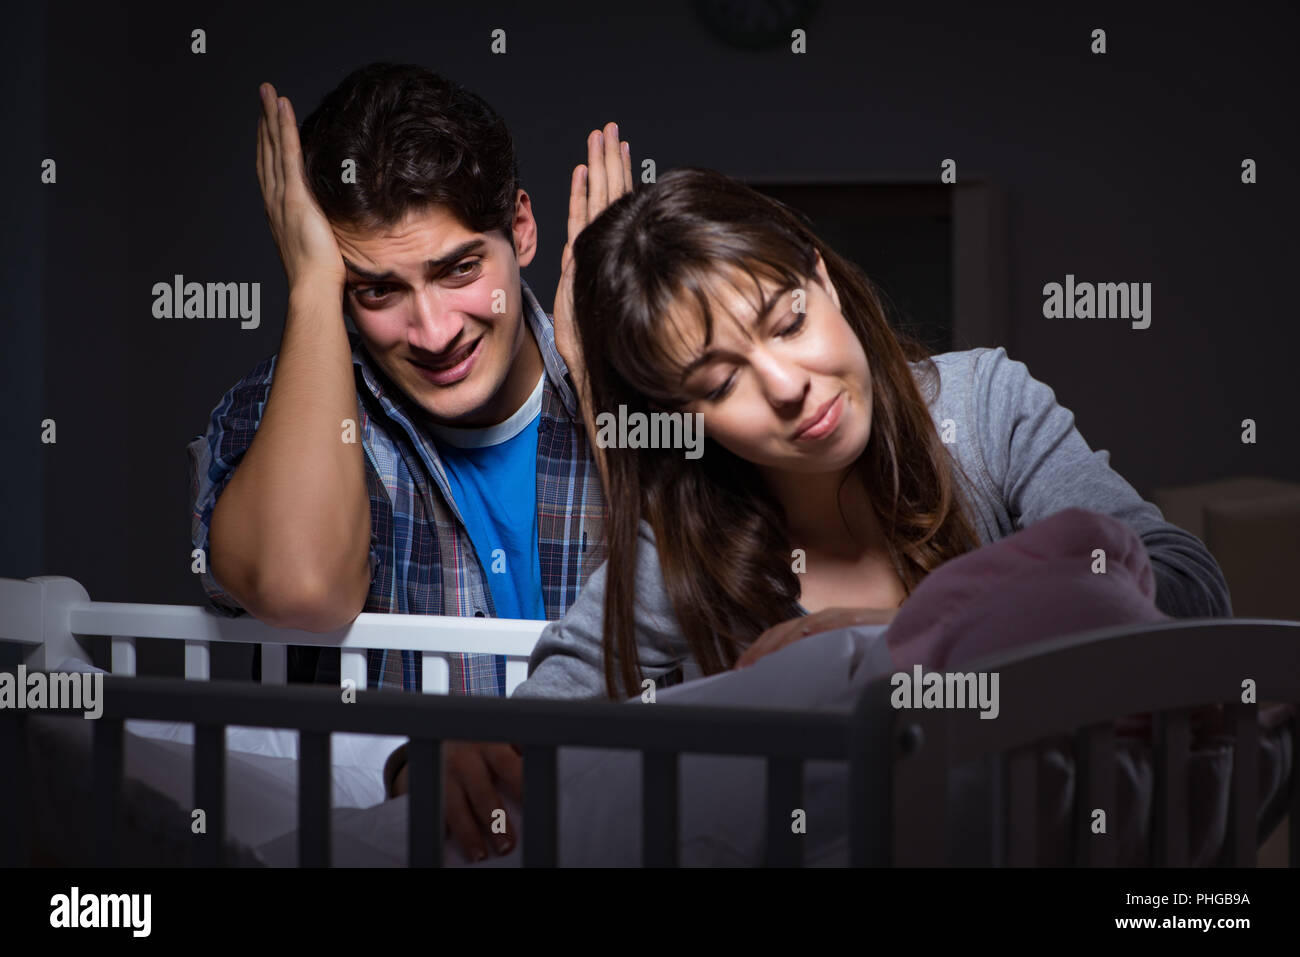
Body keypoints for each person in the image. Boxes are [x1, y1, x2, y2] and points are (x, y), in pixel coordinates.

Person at [388, 165, 1233, 859]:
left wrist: (904, 631)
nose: (788, 386)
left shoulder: (984, 410)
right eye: (720, 383)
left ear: (822, 277)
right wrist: (443, 751)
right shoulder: (684, 539)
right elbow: (550, 698)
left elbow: (1187, 589)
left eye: (788, 320)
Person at [187, 63, 633, 854]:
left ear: (522, 231)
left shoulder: (639, 383)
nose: (433, 331)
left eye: (460, 270)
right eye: (378, 289)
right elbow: (302, 586)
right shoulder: (289, 404)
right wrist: (312, 289)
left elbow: (717, 583)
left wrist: (611, 374)